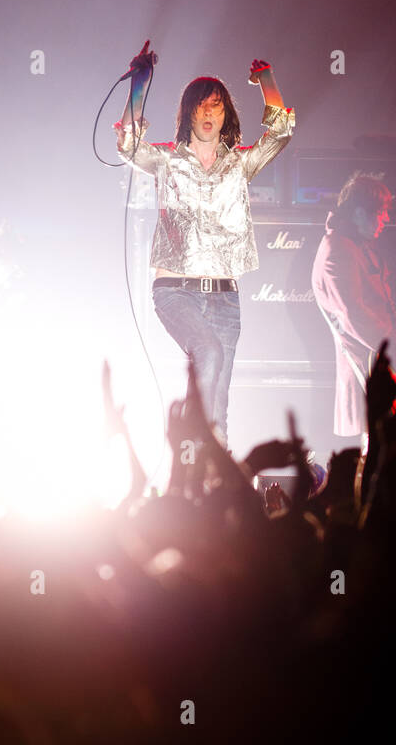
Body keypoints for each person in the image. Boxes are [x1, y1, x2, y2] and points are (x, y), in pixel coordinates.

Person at [115, 42, 295, 444]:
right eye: (202, 106)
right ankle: (193, 463)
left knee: (220, 408)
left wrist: (265, 79)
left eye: (217, 105)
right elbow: (127, 144)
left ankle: (211, 488)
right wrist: (139, 85)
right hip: (176, 291)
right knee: (208, 353)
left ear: (226, 113)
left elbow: (281, 131)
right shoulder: (168, 160)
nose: (209, 112)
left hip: (225, 299)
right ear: (189, 113)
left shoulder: (240, 164)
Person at [311, 172, 396, 447]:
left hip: (377, 369)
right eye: (381, 213)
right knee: (373, 461)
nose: (387, 220)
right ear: (359, 213)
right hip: (365, 371)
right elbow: (352, 315)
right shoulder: (338, 250)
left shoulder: (354, 246)